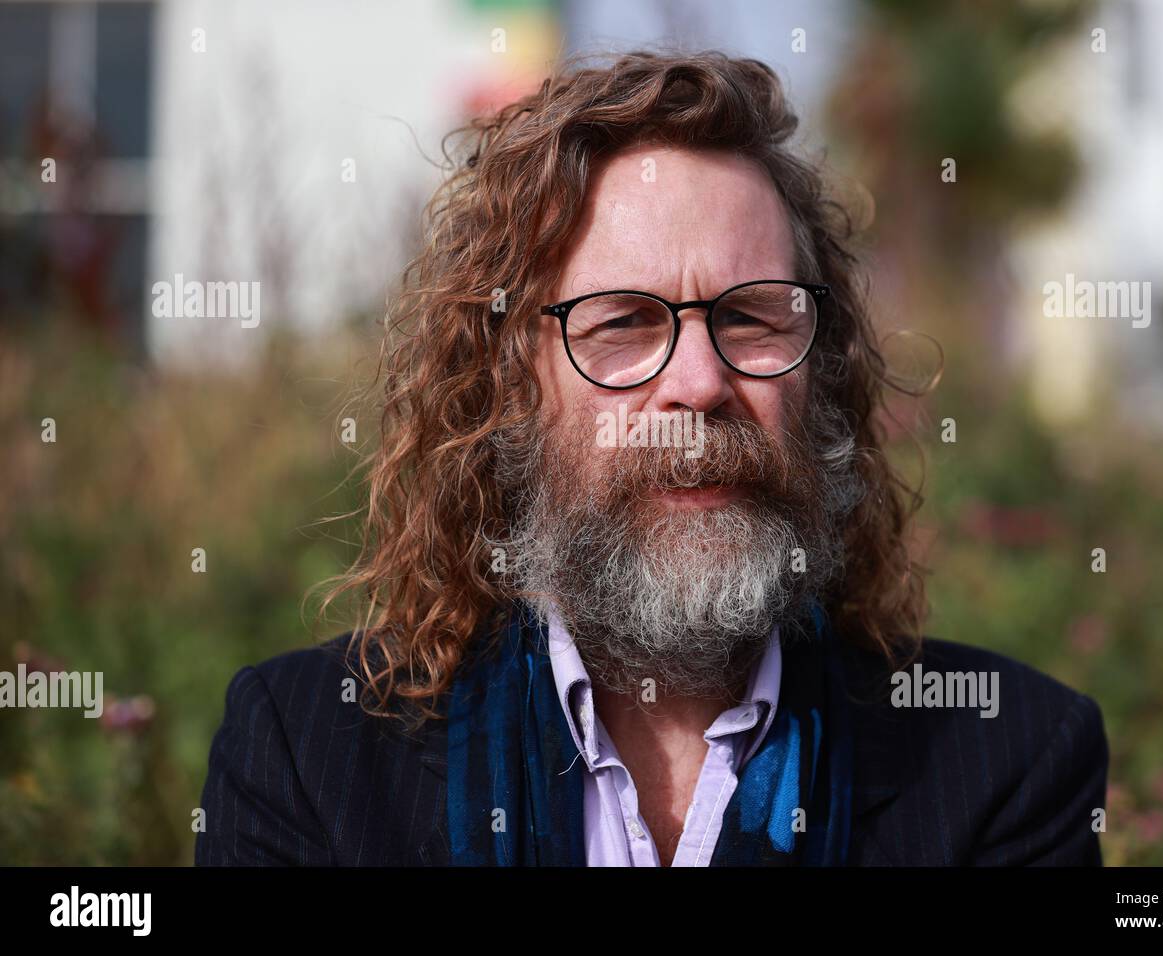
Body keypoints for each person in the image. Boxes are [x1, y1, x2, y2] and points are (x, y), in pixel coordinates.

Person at [196, 49, 1107, 867]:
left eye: (752, 315)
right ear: (510, 389)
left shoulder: (1003, 759)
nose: (700, 384)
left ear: (822, 371)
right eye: (626, 324)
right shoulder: (312, 755)